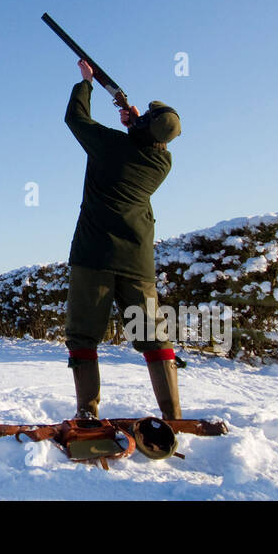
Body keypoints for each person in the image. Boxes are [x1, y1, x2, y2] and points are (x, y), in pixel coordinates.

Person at [64, 59, 182, 421]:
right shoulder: (162, 163)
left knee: (83, 338)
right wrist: (136, 123)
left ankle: (87, 413)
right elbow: (149, 143)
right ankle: (173, 414)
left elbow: (76, 119)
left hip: (94, 256)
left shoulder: (111, 146)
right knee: (152, 336)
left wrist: (85, 83)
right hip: (137, 260)